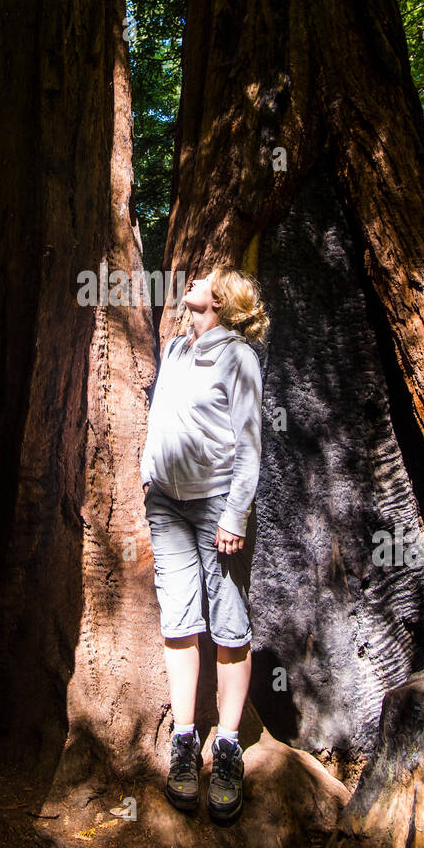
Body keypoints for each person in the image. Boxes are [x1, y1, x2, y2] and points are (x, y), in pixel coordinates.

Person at [141, 266, 268, 820]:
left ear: (219, 301)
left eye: (206, 278)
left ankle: (230, 746)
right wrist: (150, 473)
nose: (192, 278)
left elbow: (249, 445)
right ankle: (187, 742)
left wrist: (236, 515)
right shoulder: (175, 349)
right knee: (179, 621)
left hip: (218, 508)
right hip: (166, 503)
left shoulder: (238, 358)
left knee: (230, 623)